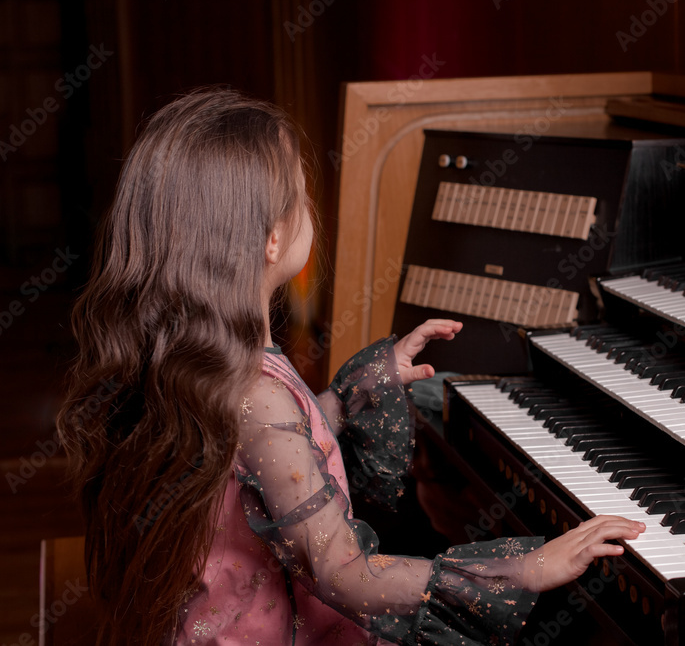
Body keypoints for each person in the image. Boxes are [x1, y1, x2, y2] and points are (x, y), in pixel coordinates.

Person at [57, 88, 645, 646]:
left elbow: (264, 459)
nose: (311, 206)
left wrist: (355, 393)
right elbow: (347, 573)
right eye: (301, 193)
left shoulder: (209, 365)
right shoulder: (257, 396)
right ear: (269, 238)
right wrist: (527, 568)